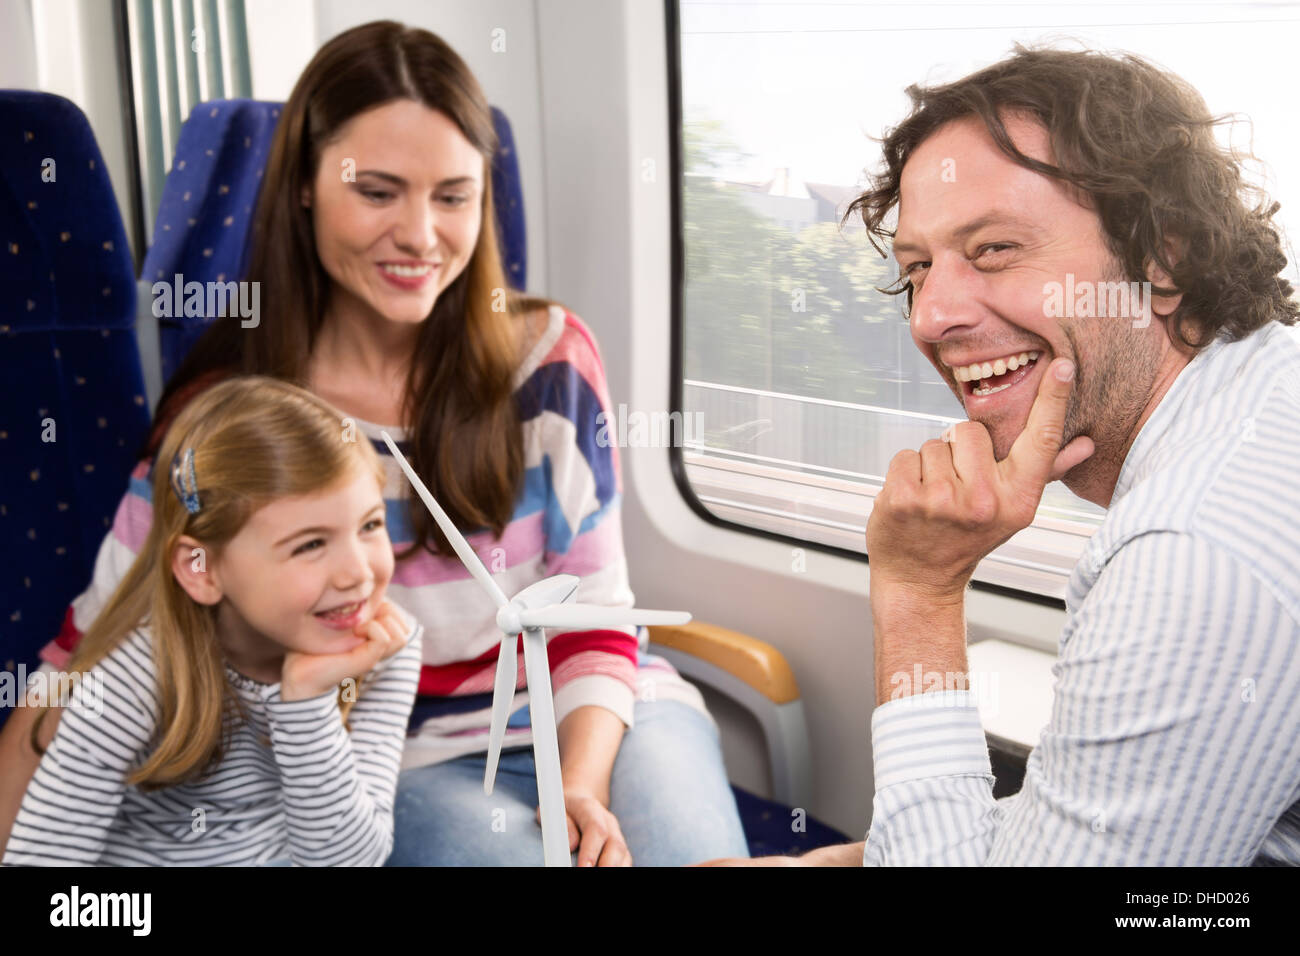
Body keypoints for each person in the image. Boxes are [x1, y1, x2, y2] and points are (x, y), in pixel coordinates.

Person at [0, 20, 748, 866]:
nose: (422, 237)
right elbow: (90, 653)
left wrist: (578, 785)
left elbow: (594, 616)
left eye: (453, 196)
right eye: (379, 191)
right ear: (306, 189)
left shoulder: (552, 362)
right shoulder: (233, 418)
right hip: (390, 749)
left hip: (598, 708)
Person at [705, 44, 1300, 866]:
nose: (931, 317)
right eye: (917, 269)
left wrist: (918, 590)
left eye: (993, 250)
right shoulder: (1264, 394)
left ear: (1166, 260)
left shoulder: (1191, 552)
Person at [3, 377, 423, 866]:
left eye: (369, 525)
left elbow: (350, 861)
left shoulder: (387, 646)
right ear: (200, 571)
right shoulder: (135, 676)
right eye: (310, 544)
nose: (358, 573)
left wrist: (306, 704)